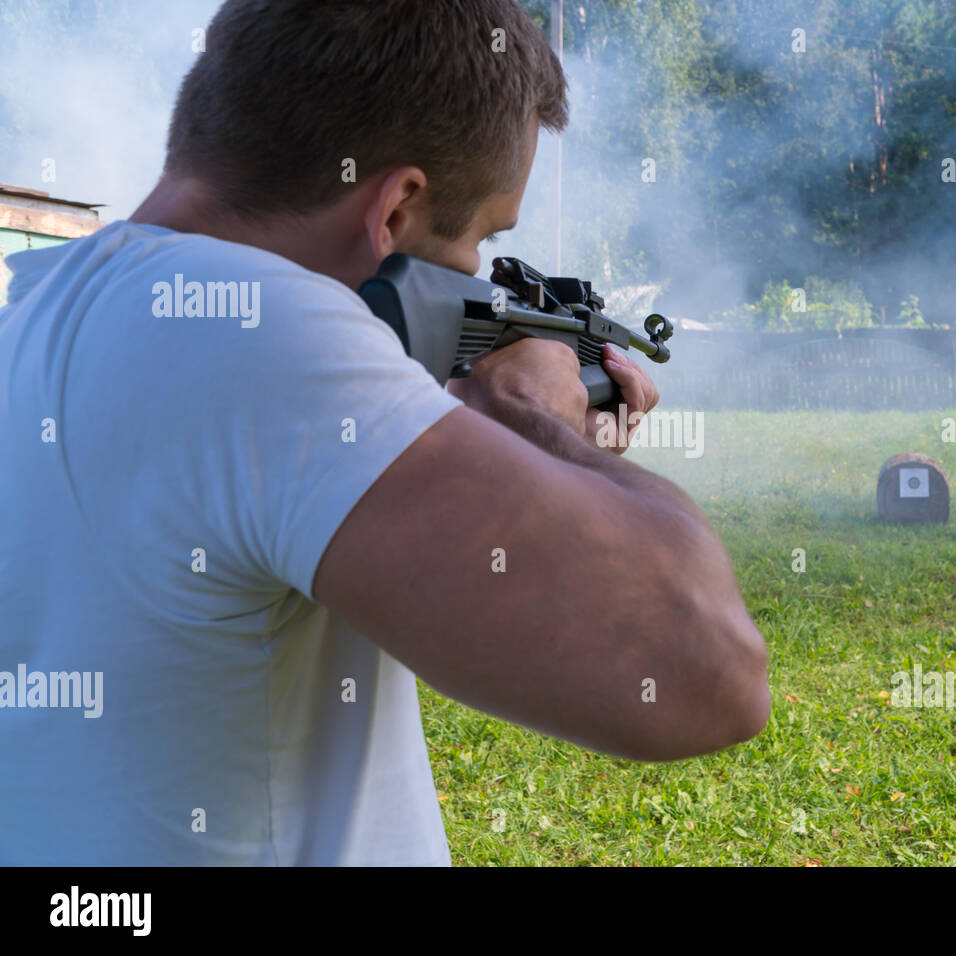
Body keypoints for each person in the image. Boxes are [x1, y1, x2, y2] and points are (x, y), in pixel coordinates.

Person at [0, 0, 768, 865]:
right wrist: (534, 421)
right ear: (396, 209)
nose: (478, 269)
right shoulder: (263, 333)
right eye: (483, 236)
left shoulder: (38, 309)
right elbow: (704, 673)